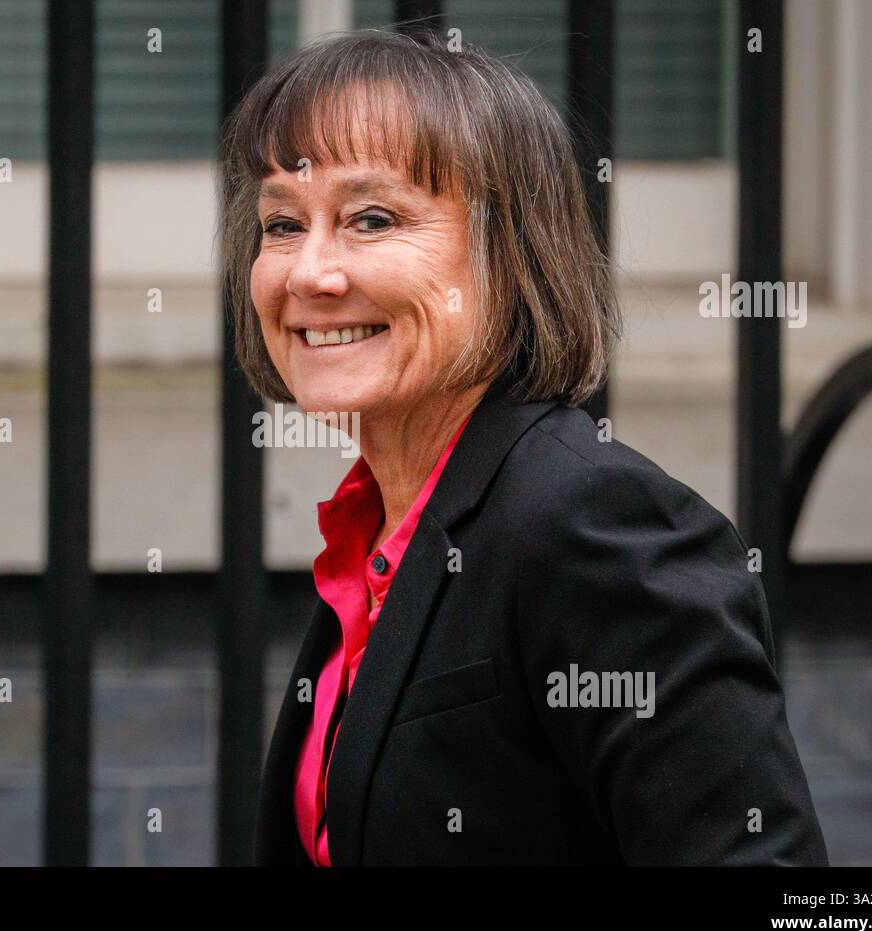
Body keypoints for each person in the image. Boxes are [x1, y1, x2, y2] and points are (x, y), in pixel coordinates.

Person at [216, 26, 828, 865]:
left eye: (371, 218)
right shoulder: (374, 535)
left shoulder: (594, 522)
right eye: (282, 225)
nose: (309, 274)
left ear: (509, 255)